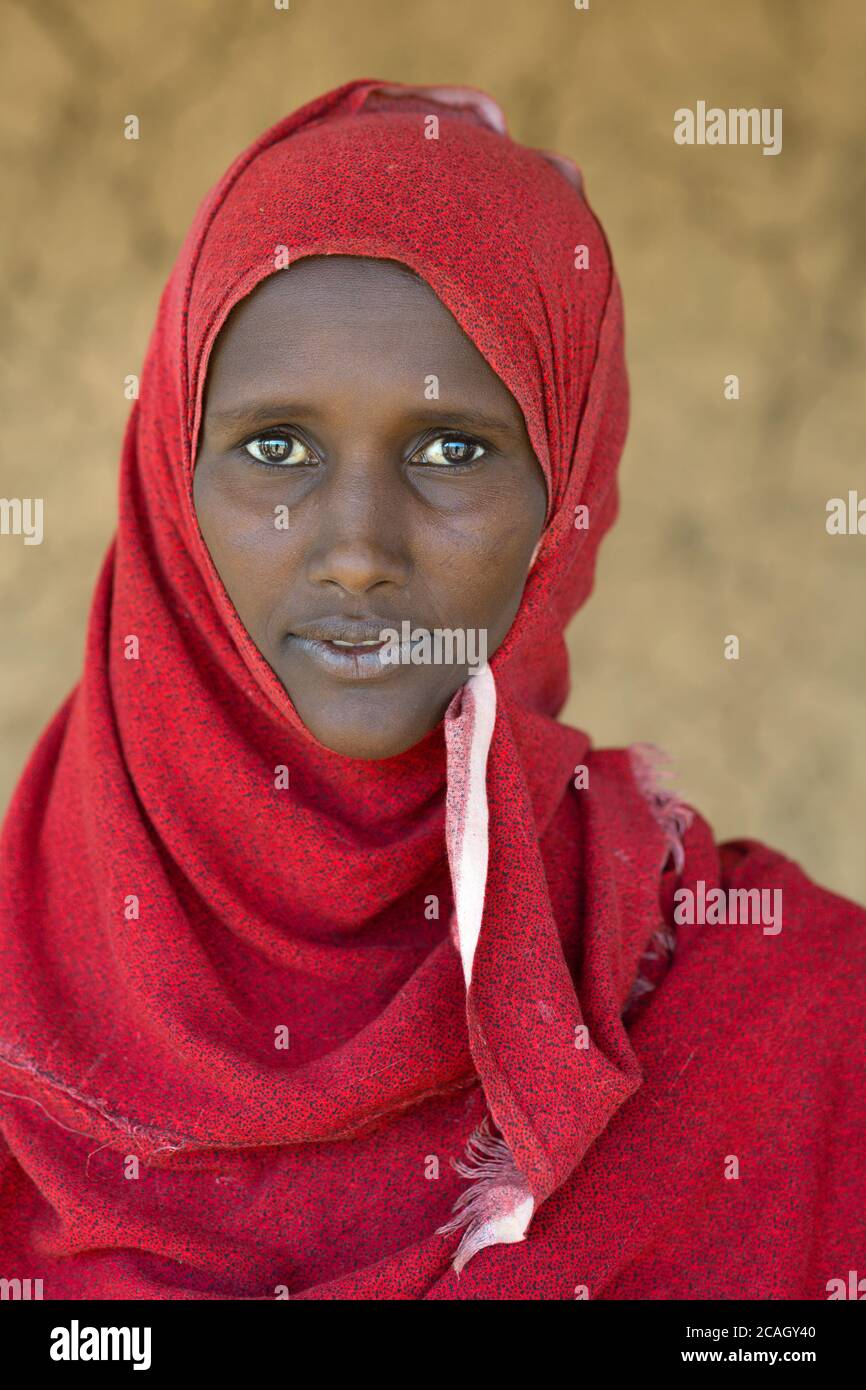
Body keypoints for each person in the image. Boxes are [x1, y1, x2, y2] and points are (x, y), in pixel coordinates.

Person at [0, 78, 862, 1301]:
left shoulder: (802, 1030)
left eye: (453, 449)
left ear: (567, 493)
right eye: (275, 445)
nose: (356, 546)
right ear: (167, 487)